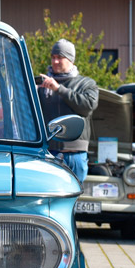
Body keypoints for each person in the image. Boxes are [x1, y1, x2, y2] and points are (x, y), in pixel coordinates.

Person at [36, 39, 98, 183]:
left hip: (76, 156)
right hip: (49, 153)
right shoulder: (43, 84)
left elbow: (87, 107)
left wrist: (59, 89)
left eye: (60, 57)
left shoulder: (86, 83)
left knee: (74, 198)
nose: (55, 61)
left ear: (70, 59)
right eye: (53, 57)